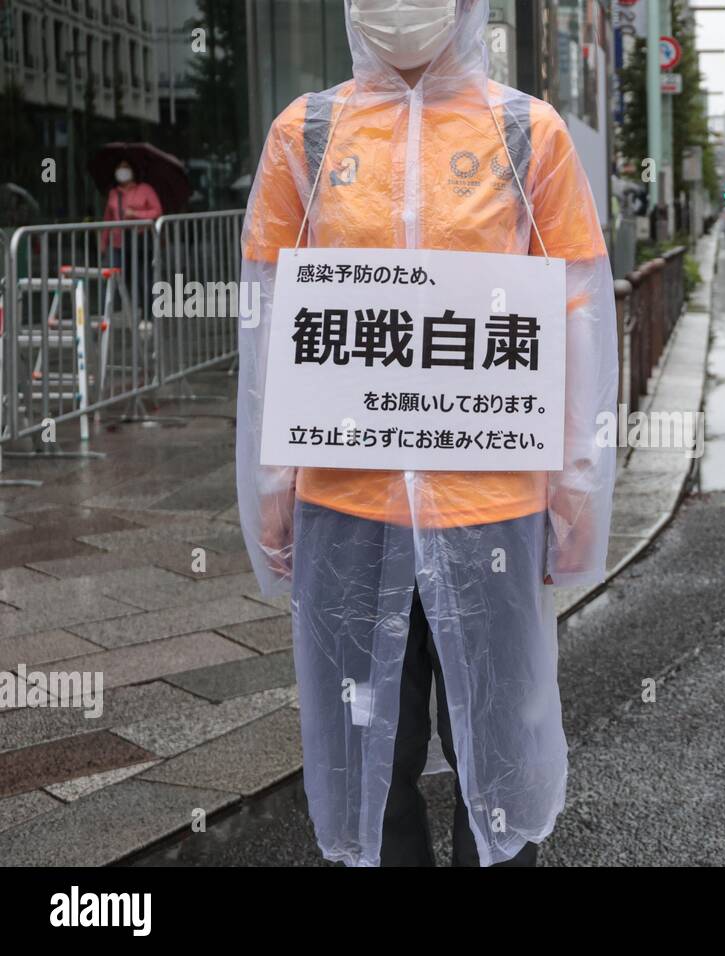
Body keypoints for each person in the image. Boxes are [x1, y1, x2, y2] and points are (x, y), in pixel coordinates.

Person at [236, 0, 616, 867]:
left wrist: (579, 486)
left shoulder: (527, 134)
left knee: (500, 755)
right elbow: (271, 324)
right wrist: (271, 482)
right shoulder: (309, 132)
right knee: (373, 755)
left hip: (490, 503)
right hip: (347, 504)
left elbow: (577, 314)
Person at [99, 158, 162, 316]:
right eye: (119, 167)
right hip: (117, 243)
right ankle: (104, 315)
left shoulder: (145, 189)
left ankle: (147, 316)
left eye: (126, 167)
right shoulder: (113, 193)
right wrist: (103, 242)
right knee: (110, 279)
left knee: (143, 280)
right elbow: (108, 219)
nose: (122, 170)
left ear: (133, 170)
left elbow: (157, 211)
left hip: (139, 241)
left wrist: (136, 214)